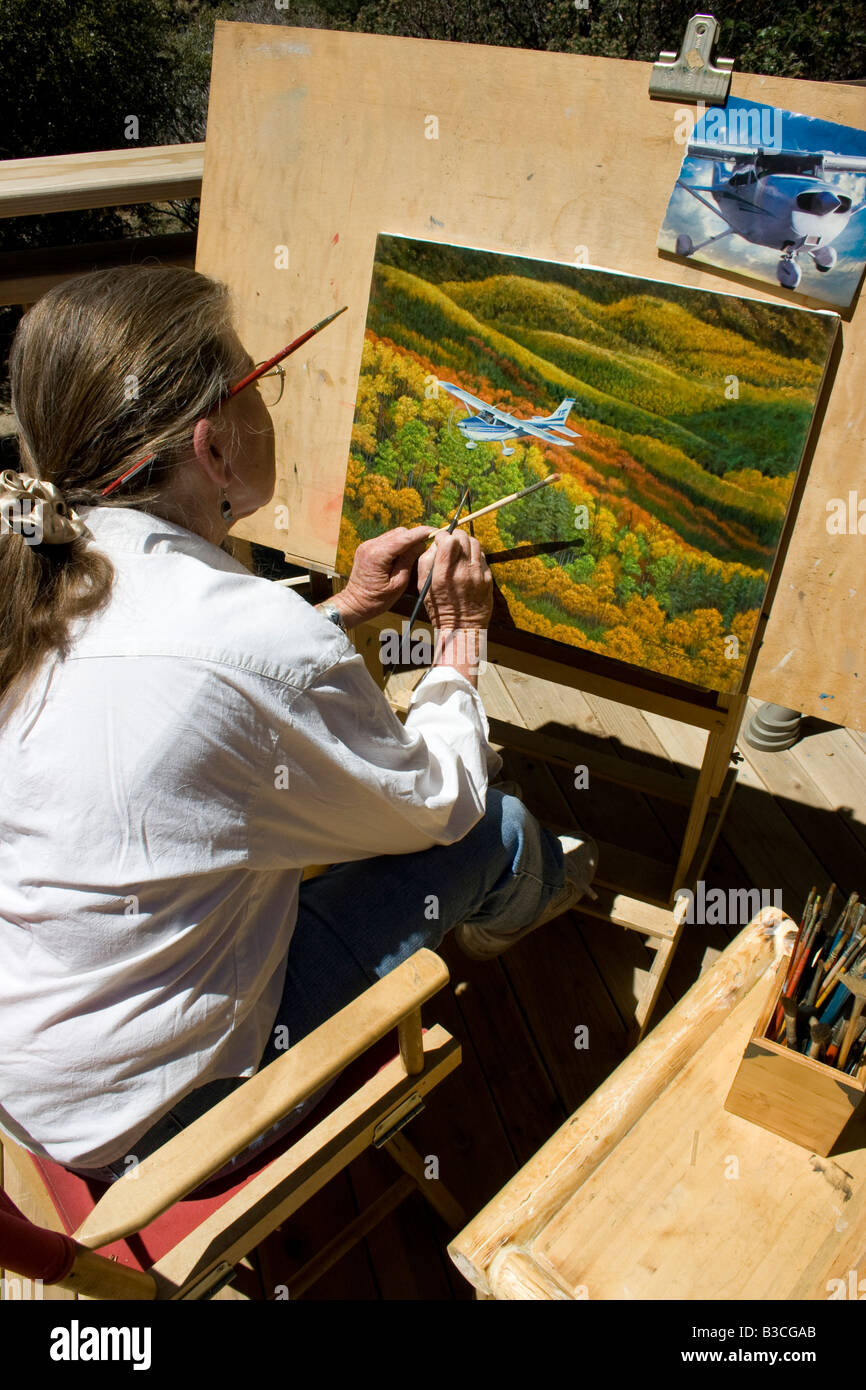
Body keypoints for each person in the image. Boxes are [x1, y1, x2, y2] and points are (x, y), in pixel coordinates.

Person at [0, 266, 597, 1182]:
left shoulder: (39, 578)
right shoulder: (244, 634)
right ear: (215, 448)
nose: (267, 401)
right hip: (166, 1130)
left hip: (31, 1090)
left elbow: (178, 697)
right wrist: (463, 642)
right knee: (497, 828)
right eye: (260, 381)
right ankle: (525, 893)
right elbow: (440, 802)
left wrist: (344, 608)